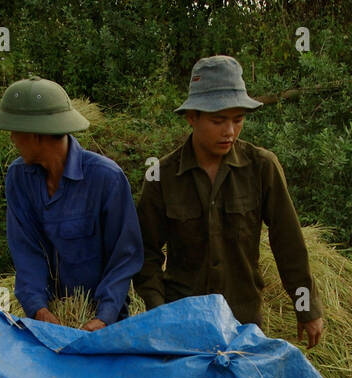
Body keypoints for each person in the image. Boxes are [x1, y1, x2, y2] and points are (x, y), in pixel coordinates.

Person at [135, 55, 324, 347]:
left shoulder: (262, 167)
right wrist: (159, 312)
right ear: (192, 117)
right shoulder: (162, 176)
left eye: (238, 119)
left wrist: (306, 308)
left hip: (243, 322)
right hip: (181, 323)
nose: (230, 132)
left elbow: (289, 244)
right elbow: (145, 252)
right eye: (218, 120)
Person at [0, 76, 142, 331]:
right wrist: (39, 309)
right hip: (50, 317)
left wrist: (103, 317)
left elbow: (123, 257)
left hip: (106, 319)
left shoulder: (107, 179)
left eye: (15, 131)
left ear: (36, 134)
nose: (12, 139)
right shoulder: (19, 178)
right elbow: (26, 251)